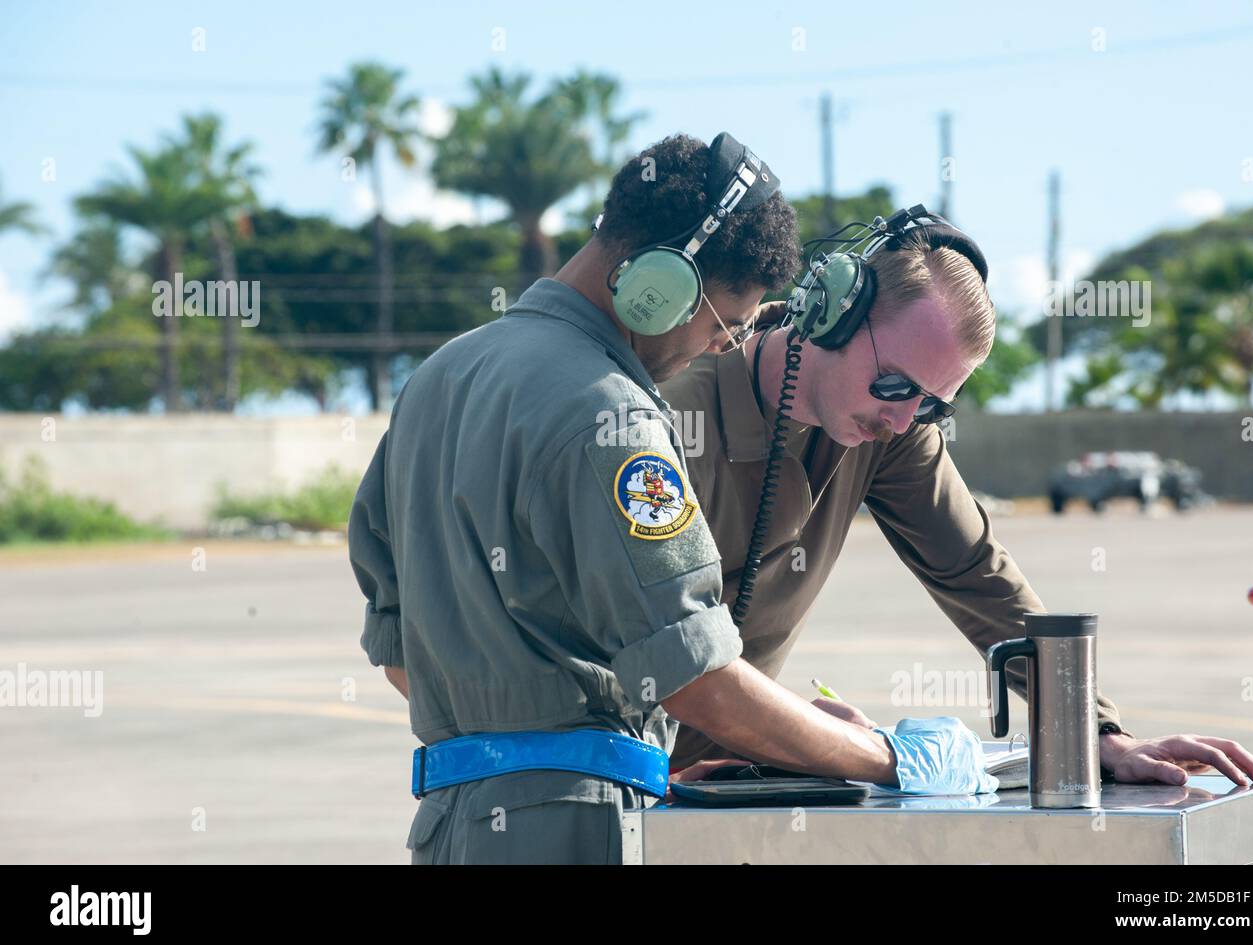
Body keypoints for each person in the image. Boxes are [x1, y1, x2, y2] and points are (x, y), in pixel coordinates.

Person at [349, 135, 999, 865]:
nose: (724, 346)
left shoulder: (438, 380)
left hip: (451, 830)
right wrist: (885, 755)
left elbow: (401, 651)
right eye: (726, 319)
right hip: (581, 836)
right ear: (659, 285)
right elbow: (696, 675)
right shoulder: (613, 414)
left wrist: (593, 752)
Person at [658, 209, 1253, 790]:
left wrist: (1098, 731)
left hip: (707, 780)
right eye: (894, 383)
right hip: (603, 770)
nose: (901, 421)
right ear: (833, 312)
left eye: (930, 403)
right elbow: (665, 654)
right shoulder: (668, 413)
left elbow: (975, 571)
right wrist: (841, 745)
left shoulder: (890, 427)